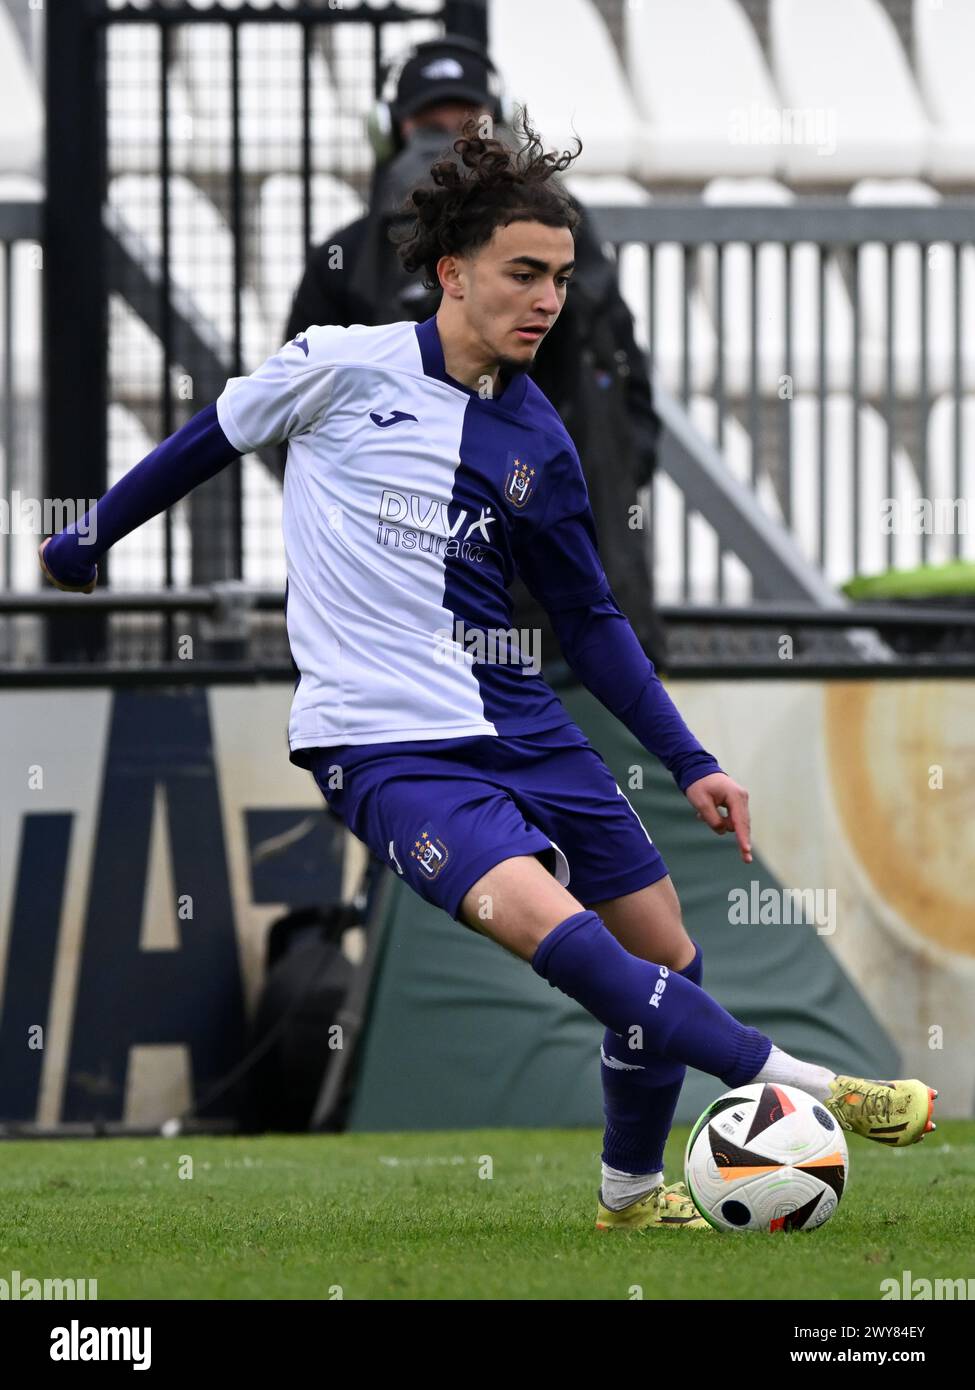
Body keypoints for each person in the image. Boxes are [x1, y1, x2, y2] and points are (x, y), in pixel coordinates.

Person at [40, 115, 937, 1231]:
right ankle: (810, 1083)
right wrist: (88, 539)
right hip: (384, 745)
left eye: (559, 277)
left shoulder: (539, 439)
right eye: (523, 273)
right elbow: (204, 440)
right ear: (453, 273)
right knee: (570, 948)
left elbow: (595, 621)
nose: (547, 298)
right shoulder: (336, 367)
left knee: (669, 954)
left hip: (522, 722)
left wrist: (692, 759)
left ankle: (627, 1196)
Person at [283, 34, 667, 671]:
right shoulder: (348, 260)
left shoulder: (565, 238)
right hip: (407, 629)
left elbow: (629, 404)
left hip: (567, 621)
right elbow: (289, 423)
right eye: (430, 129)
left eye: (467, 127)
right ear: (392, 134)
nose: (448, 146)